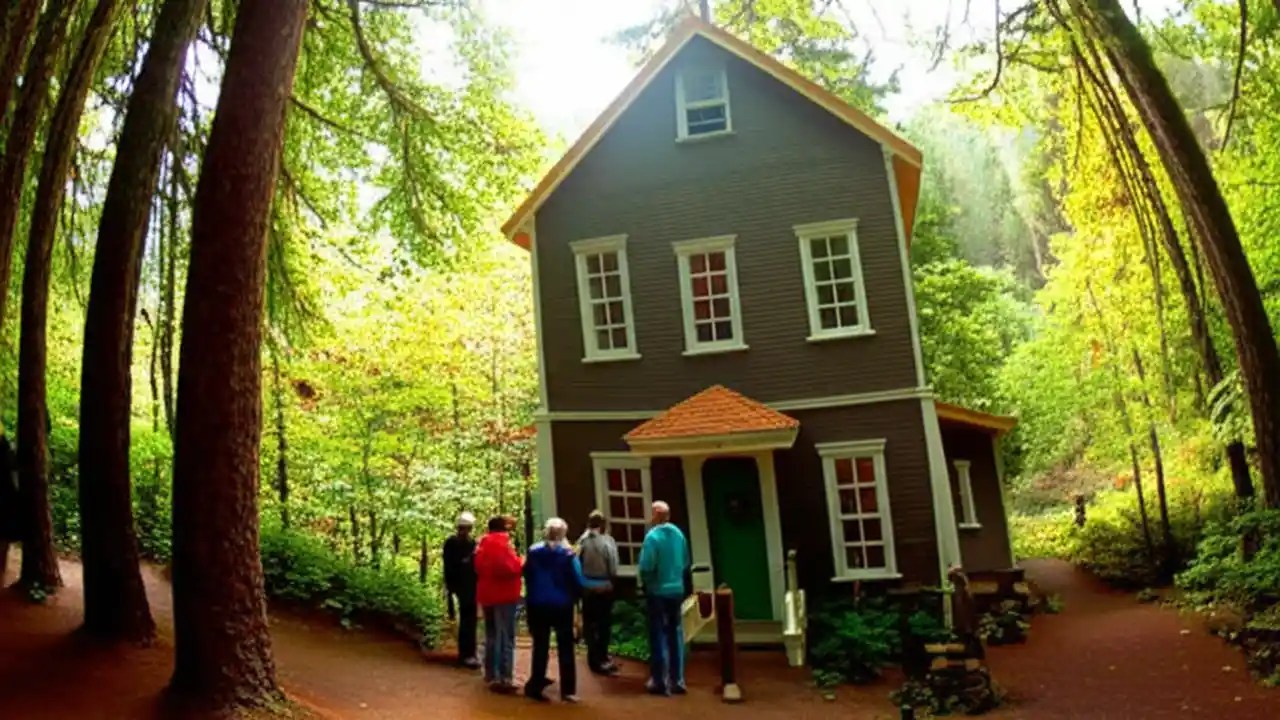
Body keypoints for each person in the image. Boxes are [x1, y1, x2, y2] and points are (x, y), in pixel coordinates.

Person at [523, 517, 609, 704]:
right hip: (562, 605)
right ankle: (568, 691)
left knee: (540, 646)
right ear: (563, 534)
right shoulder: (568, 555)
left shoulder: (533, 552)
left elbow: (527, 576)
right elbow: (579, 580)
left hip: (538, 604)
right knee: (566, 648)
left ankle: (535, 685)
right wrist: (597, 587)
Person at [638, 501, 689, 696]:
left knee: (657, 634)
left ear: (657, 515)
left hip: (657, 591)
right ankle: (677, 680)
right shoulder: (679, 534)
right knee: (675, 633)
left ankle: (659, 680)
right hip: (676, 589)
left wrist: (647, 582)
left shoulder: (652, 537)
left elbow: (646, 566)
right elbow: (685, 561)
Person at [475, 515, 522, 692]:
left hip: (486, 594)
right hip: (504, 595)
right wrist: (521, 562)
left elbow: (478, 567)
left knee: (491, 634)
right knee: (506, 636)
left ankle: (490, 673)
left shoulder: (481, 544)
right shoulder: (502, 544)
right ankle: (504, 677)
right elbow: (509, 567)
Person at [577, 510, 620, 675]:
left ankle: (592, 657)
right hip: (604, 585)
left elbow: (576, 562)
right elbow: (613, 566)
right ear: (603, 524)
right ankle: (602, 657)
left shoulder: (581, 541)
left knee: (589, 624)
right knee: (603, 624)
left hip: (587, 586)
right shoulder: (607, 541)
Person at [443, 511, 480, 669]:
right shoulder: (452, 543)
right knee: (467, 620)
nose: (465, 531)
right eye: (462, 528)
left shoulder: (472, 543)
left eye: (467, 528)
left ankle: (469, 653)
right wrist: (451, 586)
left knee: (470, 620)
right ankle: (466, 654)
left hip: (471, 587)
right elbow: (449, 566)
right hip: (461, 586)